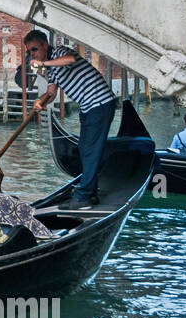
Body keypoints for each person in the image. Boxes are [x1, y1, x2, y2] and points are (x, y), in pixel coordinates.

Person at [25, 30, 117, 211]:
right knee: (85, 149)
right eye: (29, 52)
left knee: (90, 150)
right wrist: (40, 102)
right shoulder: (52, 69)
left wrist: (42, 63)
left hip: (100, 103)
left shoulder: (60, 52)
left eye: (34, 49)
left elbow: (71, 60)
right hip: (89, 107)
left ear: (45, 45)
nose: (32, 54)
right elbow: (51, 93)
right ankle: (91, 192)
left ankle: (83, 197)